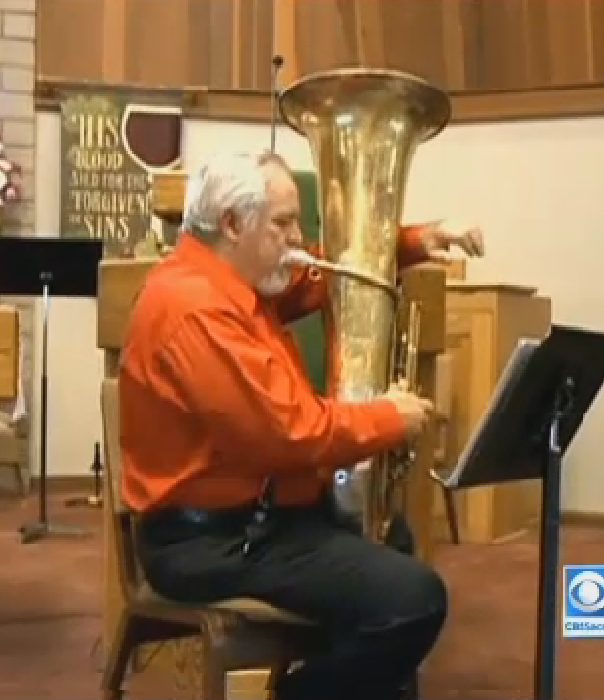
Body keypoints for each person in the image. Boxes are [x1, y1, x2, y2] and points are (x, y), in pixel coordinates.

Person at [118, 150, 485, 700]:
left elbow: (317, 278)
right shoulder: (195, 306)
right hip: (214, 541)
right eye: (284, 223)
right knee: (413, 599)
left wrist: (410, 242)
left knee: (393, 543)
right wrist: (389, 417)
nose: (298, 240)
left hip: (255, 521)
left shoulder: (229, 276)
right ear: (233, 224)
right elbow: (289, 434)